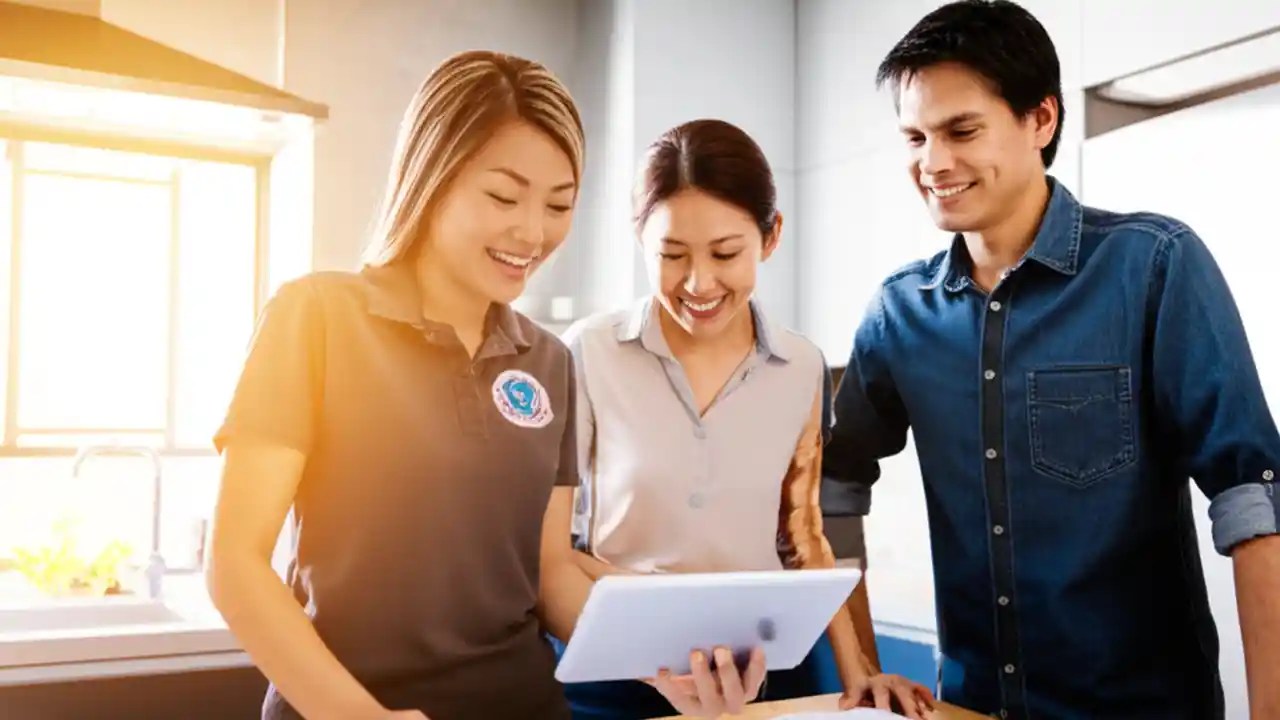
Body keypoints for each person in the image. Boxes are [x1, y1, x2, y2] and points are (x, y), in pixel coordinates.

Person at [821, 2, 1280, 719]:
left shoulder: (1154, 268)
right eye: (915, 137)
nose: (932, 163)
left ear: (1041, 119)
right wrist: (864, 672)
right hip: (971, 710)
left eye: (961, 131)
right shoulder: (898, 314)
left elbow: (1254, 501)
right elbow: (829, 492)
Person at [206, 49, 599, 720]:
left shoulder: (550, 361)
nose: (533, 233)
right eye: (504, 197)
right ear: (432, 177)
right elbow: (234, 562)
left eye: (558, 205)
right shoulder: (316, 317)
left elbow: (550, 571)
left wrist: (661, 662)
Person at [559, 119, 935, 719]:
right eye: (671, 255)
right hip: (614, 676)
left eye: (725, 253)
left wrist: (861, 675)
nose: (698, 282)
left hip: (754, 676)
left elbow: (803, 536)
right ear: (640, 239)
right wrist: (651, 632)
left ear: (770, 236)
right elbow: (550, 547)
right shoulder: (588, 353)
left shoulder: (801, 367)